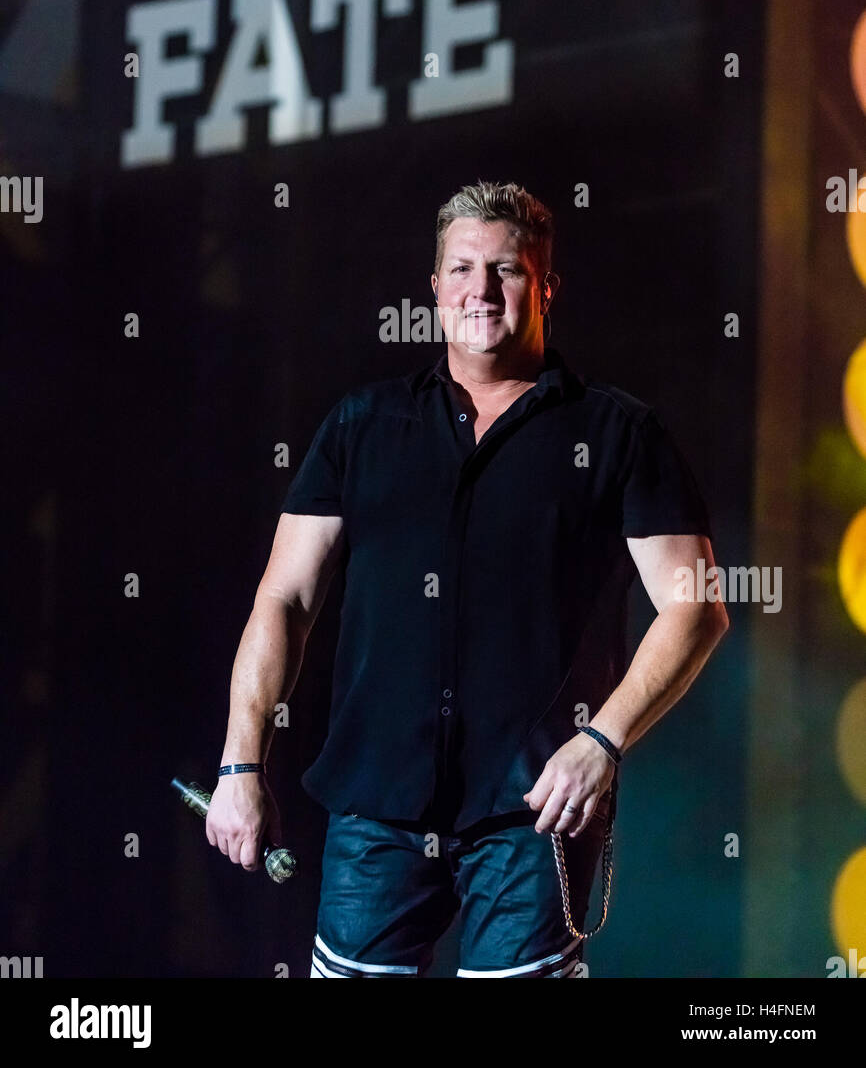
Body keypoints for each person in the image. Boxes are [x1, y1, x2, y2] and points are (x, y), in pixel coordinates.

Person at [206, 180, 728, 978]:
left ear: (544, 286)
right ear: (434, 289)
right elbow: (283, 599)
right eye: (461, 268)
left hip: (535, 811)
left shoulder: (616, 431)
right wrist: (242, 764)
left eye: (506, 270)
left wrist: (603, 741)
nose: (480, 289)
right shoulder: (363, 425)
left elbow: (696, 608)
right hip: (376, 806)